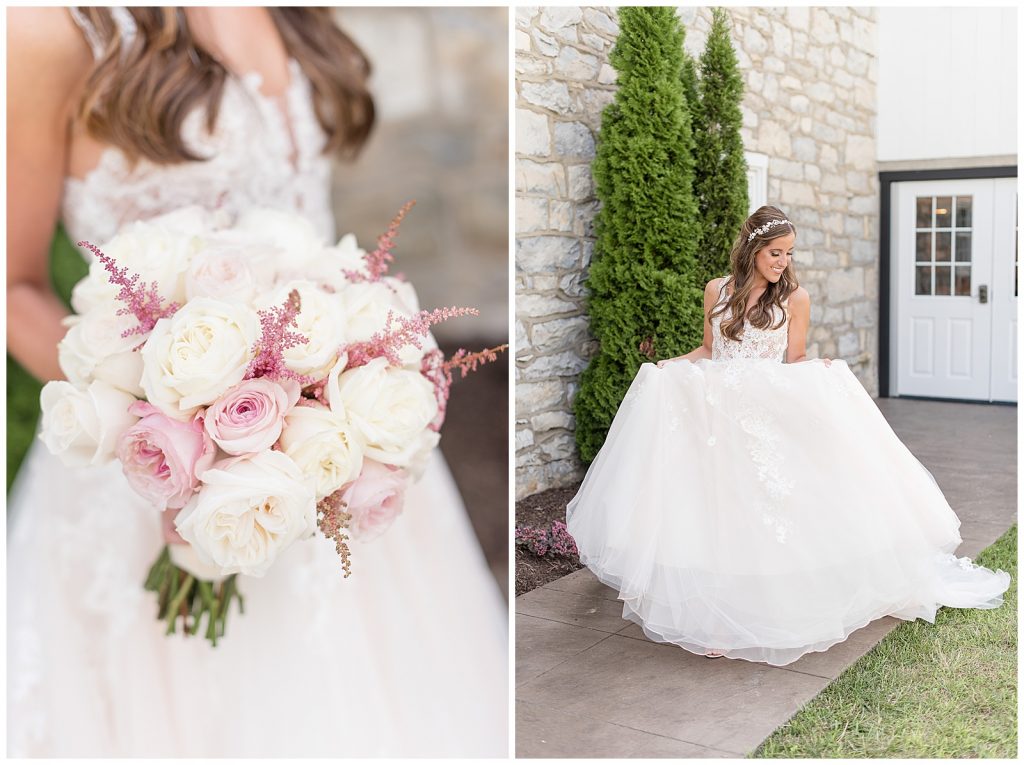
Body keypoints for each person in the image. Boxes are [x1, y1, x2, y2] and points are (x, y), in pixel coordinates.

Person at [7, 7, 506, 756]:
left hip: (330, 454)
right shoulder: (54, 29)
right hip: (148, 474)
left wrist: (343, 379)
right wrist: (180, 421)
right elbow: (13, 287)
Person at [566, 204, 1010, 667]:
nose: (782, 262)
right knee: (716, 511)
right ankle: (716, 614)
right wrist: (668, 367)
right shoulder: (717, 290)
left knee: (762, 511)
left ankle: (770, 602)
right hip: (717, 417)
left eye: (789, 253)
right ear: (753, 249)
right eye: (775, 252)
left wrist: (819, 372)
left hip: (764, 416)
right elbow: (709, 349)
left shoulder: (794, 298)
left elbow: (793, 358)